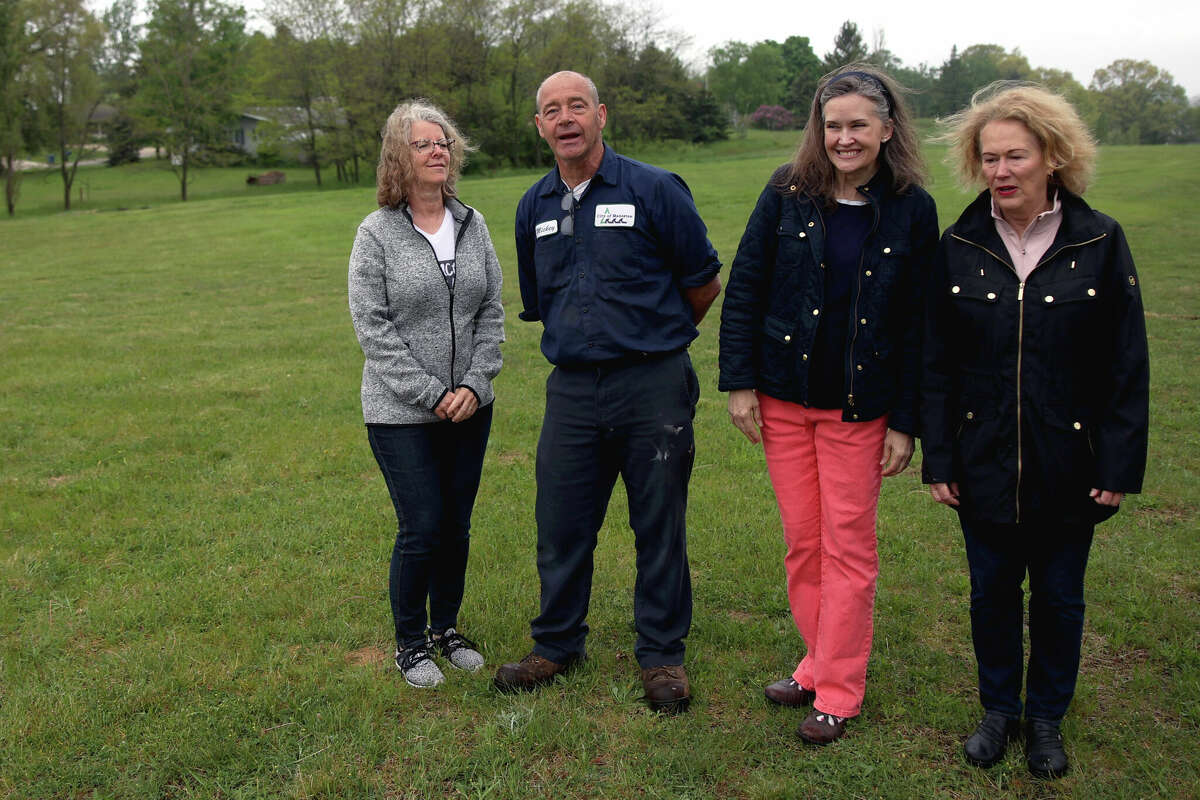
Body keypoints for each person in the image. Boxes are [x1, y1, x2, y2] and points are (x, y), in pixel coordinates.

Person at [923, 83, 1149, 778]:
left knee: (1058, 598)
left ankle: (1046, 717)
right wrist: (940, 457)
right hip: (981, 458)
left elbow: (1126, 363)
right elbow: (934, 360)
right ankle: (999, 710)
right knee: (991, 594)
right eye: (989, 158)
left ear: (1052, 156)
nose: (1001, 171)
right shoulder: (958, 243)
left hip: (1068, 461)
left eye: (1016, 155)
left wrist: (1116, 466)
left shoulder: (1102, 241)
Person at [718, 65, 938, 744]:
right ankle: (816, 662)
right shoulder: (786, 191)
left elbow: (920, 324)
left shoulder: (911, 206)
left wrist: (907, 419)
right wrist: (740, 382)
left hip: (858, 408)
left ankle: (839, 690)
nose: (843, 138)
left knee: (848, 550)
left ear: (886, 129)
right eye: (832, 125)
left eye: (857, 126)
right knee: (803, 545)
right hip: (784, 399)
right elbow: (747, 284)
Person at [493, 70, 722, 714]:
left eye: (577, 106)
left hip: (652, 383)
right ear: (539, 126)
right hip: (571, 390)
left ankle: (662, 657)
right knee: (561, 523)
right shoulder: (533, 206)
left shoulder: (652, 188)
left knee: (658, 523)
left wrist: (657, 336)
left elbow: (702, 280)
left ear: (601, 116)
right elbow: (538, 301)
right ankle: (557, 644)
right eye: (551, 110)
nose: (565, 119)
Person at [348, 100, 504, 688]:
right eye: (423, 144)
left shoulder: (472, 223)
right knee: (422, 525)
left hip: (470, 407)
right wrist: (432, 392)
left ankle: (447, 629)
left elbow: (491, 309)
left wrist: (473, 383)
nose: (438, 151)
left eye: (443, 143)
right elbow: (373, 326)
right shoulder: (376, 233)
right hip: (401, 413)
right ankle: (411, 645)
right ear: (399, 157)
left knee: (456, 524)